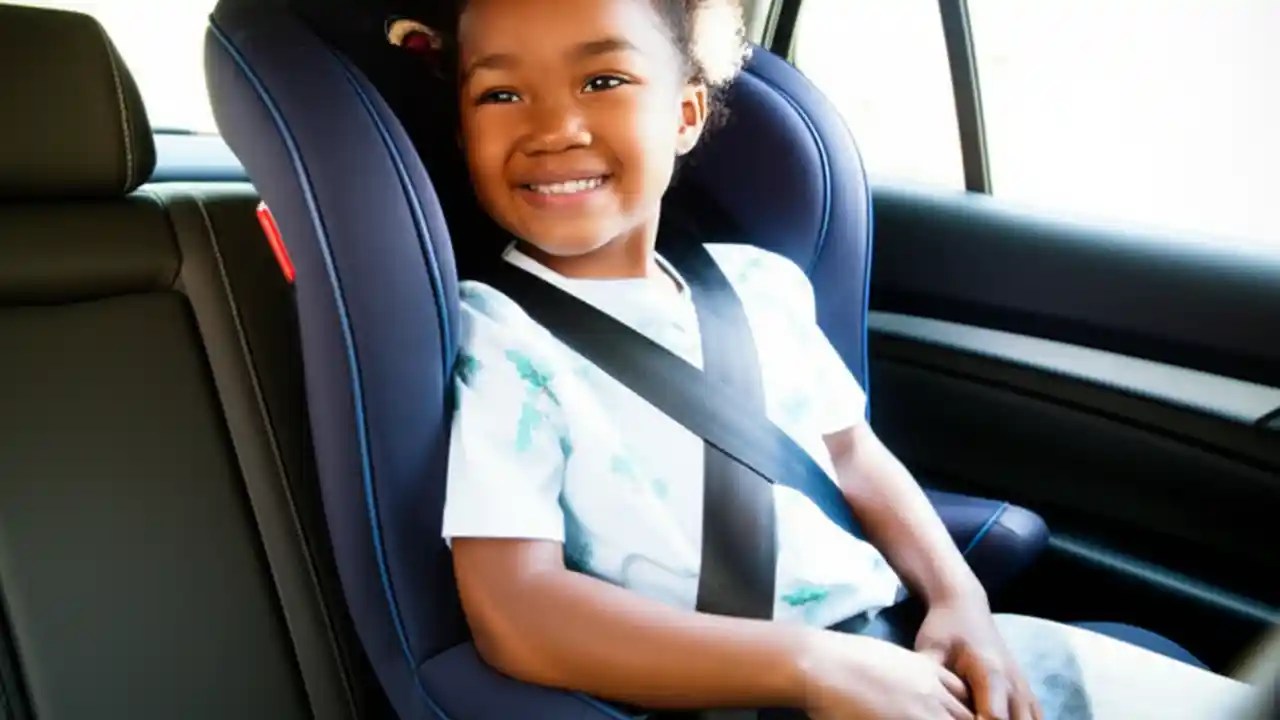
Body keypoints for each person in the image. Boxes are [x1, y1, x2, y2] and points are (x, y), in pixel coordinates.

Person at [434, 0, 1256, 716]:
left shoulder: (759, 285)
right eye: (500, 93)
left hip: (910, 659)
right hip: (764, 690)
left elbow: (853, 456)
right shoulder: (499, 337)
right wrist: (813, 667)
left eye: (603, 82)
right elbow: (517, 609)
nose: (553, 127)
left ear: (685, 117)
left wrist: (957, 599)